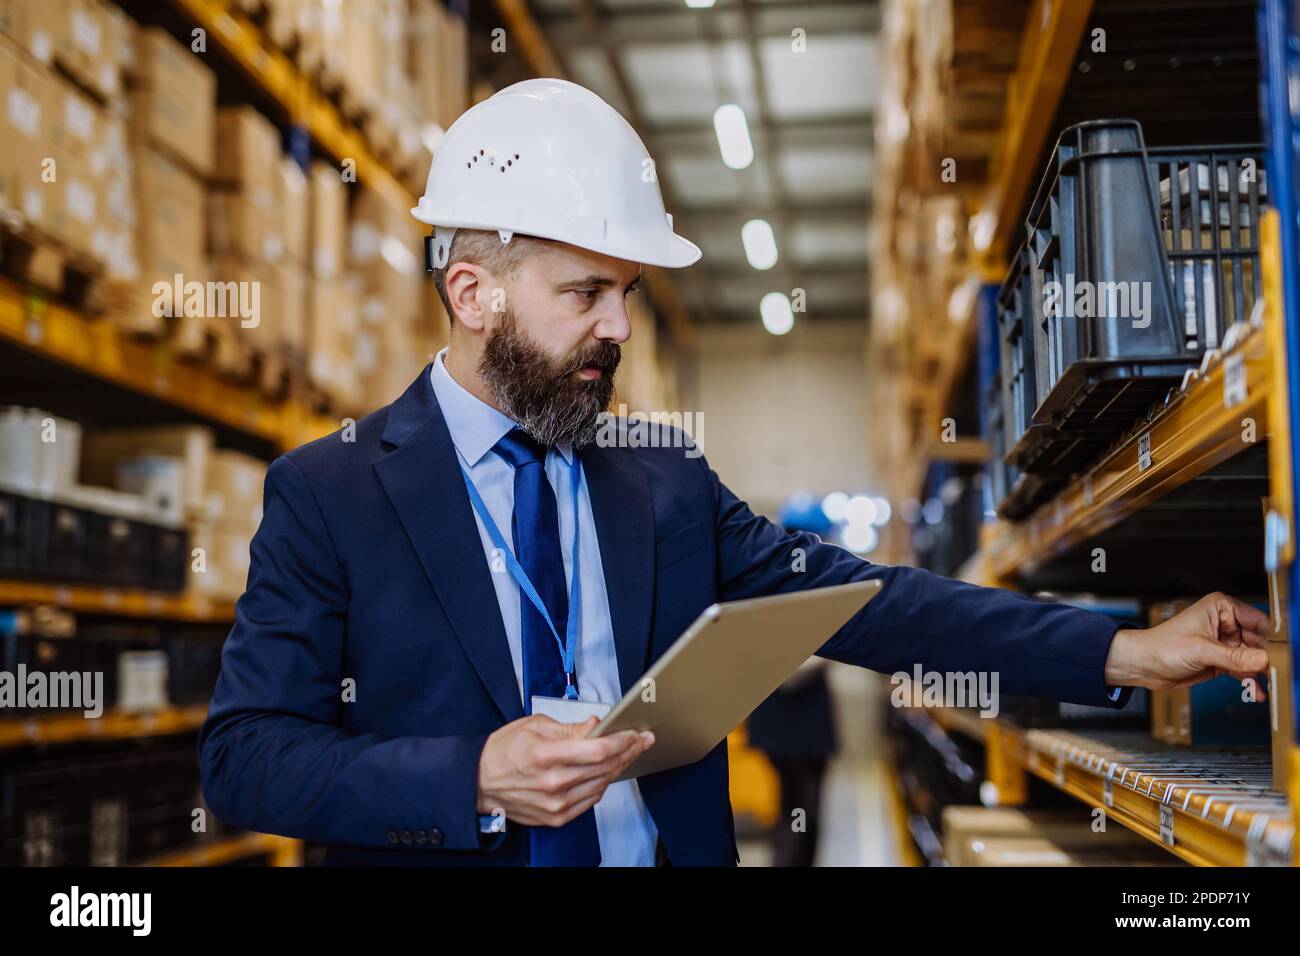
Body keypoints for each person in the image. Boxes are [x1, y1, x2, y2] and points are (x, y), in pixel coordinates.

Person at [198, 79, 1271, 867]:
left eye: (625, 291)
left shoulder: (656, 478)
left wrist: (1126, 648)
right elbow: (246, 756)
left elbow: (870, 605)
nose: (617, 327)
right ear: (473, 292)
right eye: (586, 294)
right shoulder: (329, 493)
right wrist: (471, 775)